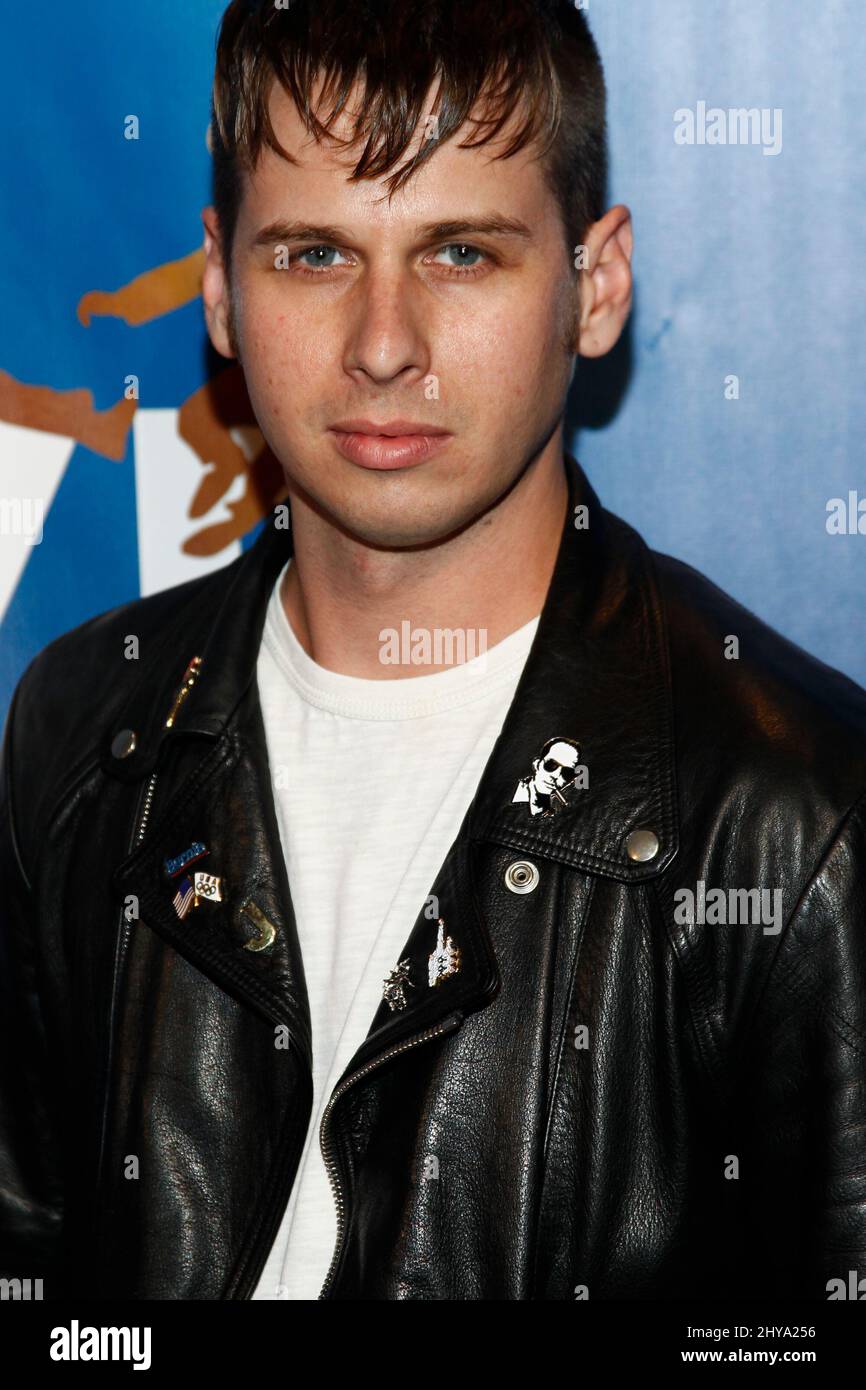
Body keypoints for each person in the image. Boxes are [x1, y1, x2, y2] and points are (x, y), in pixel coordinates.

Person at [2, 0, 865, 1302]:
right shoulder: (80, 724)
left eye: (459, 252)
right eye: (312, 256)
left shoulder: (793, 816)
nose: (383, 344)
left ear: (596, 283)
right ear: (221, 288)